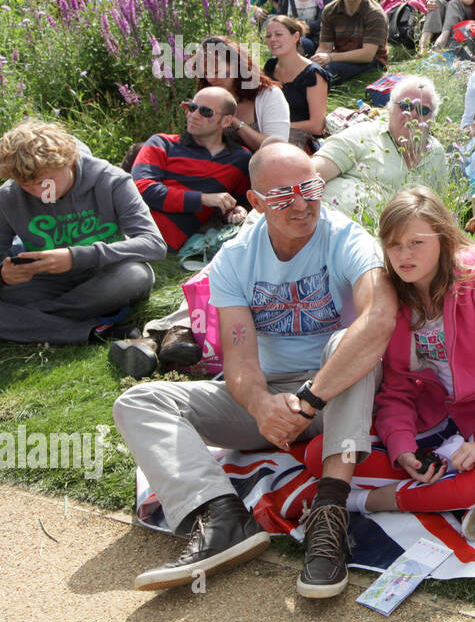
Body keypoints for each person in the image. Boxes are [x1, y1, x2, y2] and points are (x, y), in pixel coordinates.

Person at [115, 143, 398, 597]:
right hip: (276, 402)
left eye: (309, 188)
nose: (302, 204)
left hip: (338, 394)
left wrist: (310, 398)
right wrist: (263, 405)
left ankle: (329, 517)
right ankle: (221, 516)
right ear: (256, 202)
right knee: (138, 401)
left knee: (352, 343)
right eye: (284, 195)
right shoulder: (234, 259)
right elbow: (240, 362)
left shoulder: (348, 239)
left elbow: (379, 319)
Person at [309, 187, 475, 536]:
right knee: (321, 456)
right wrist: (402, 449)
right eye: (394, 244)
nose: (404, 255)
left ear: (443, 237)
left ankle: (366, 502)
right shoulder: (396, 295)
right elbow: (397, 387)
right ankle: (451, 486)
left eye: (416, 242)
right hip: (433, 417)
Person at [0, 120, 166, 346]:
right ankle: (94, 330)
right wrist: (4, 275)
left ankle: (32, 320)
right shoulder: (8, 197)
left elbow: (154, 244)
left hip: (104, 274)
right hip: (47, 282)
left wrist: (74, 257)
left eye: (44, 181)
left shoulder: (111, 179)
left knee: (136, 275)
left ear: (68, 159)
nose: (39, 192)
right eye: (27, 186)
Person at [131, 87, 251, 252]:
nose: (193, 115)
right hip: (130, 224)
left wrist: (235, 211)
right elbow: (141, 189)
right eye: (192, 107)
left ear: (226, 121)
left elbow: (239, 203)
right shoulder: (161, 143)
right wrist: (202, 199)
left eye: (205, 111)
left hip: (158, 242)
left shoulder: (240, 159)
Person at [313, 77, 448, 220]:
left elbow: (438, 208)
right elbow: (310, 175)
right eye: (405, 106)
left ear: (431, 118)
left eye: (423, 110)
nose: (413, 114)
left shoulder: (436, 152)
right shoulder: (363, 135)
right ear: (389, 108)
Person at [194, 36, 292, 152]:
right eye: (206, 73)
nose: (211, 79)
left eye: (216, 72)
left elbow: (276, 148)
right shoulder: (208, 95)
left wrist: (234, 121)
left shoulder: (268, 95)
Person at [312, 0, 388, 82]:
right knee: (313, 70)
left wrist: (331, 57)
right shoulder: (330, 11)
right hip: (340, 57)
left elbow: (367, 54)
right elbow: (324, 47)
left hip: (371, 62)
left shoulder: (375, 13)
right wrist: (317, 61)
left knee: (328, 71)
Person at [266, 16, 331, 151]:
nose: (272, 39)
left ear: (295, 37)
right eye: (268, 35)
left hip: (303, 140)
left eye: (278, 34)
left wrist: (278, 126)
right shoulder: (270, 66)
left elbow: (317, 125)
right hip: (271, 134)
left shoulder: (313, 74)